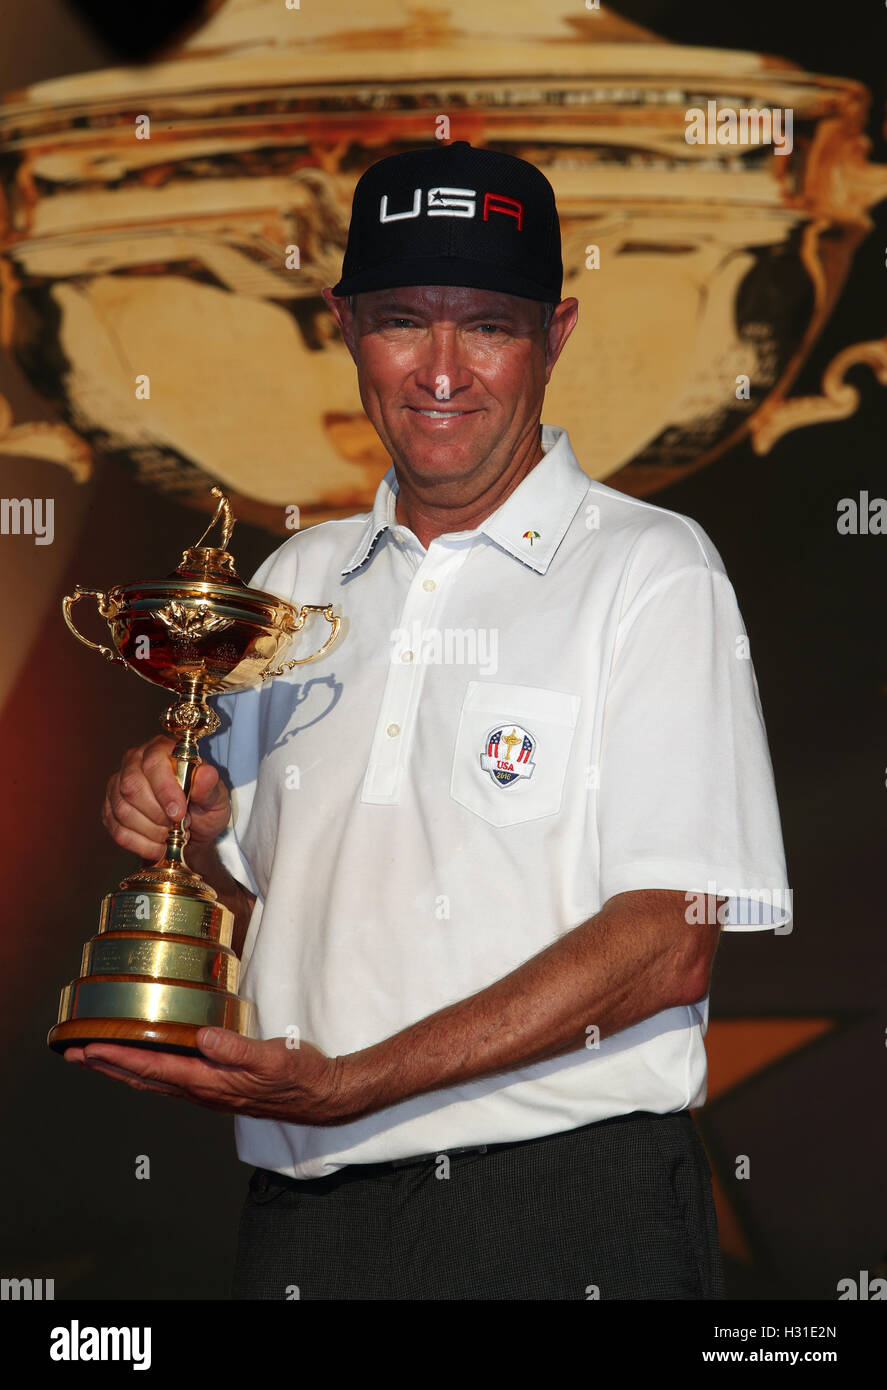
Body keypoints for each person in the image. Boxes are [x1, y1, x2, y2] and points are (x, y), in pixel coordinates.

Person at [69, 141, 792, 1301]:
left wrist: (355, 1082)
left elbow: (668, 937)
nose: (441, 369)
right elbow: (264, 883)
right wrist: (176, 807)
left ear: (552, 338)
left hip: (559, 1217)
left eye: (489, 325)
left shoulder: (651, 570)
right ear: (343, 324)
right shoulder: (296, 575)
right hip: (302, 1220)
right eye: (404, 318)